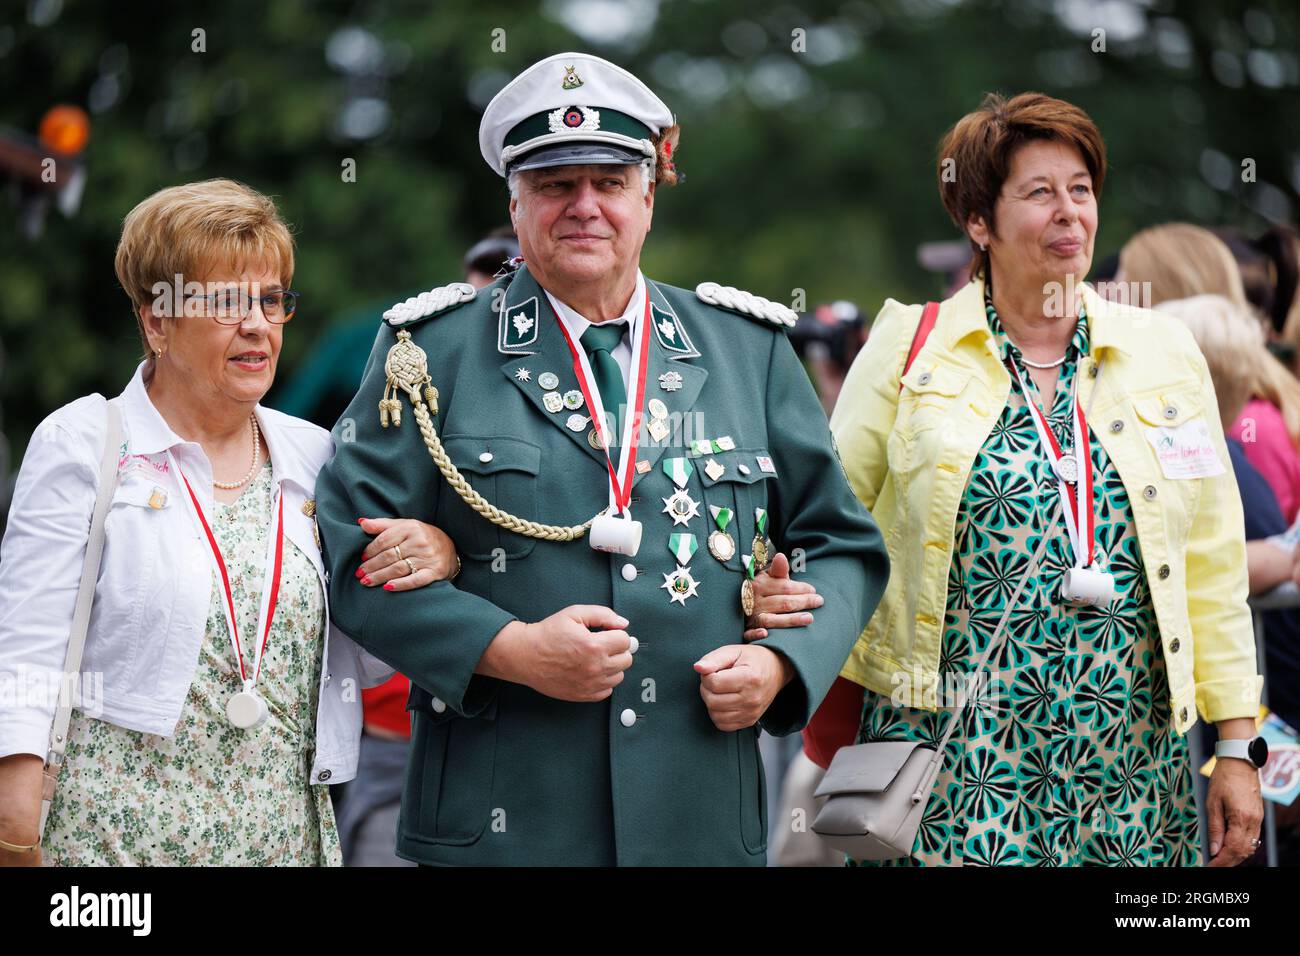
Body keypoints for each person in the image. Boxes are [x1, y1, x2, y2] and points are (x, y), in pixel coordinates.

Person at [314, 51, 887, 866]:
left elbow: (844, 546)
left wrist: (779, 664)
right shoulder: (427, 352)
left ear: (648, 194)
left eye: (610, 182)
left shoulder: (746, 350)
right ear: (514, 204)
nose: (585, 206)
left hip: (696, 819)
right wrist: (508, 649)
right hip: (499, 824)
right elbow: (347, 555)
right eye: (555, 185)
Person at [817, 92, 1264, 866]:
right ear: (979, 223)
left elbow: (1212, 562)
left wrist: (1235, 746)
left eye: (1081, 190)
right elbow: (826, 520)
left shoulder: (1163, 354)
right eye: (1039, 192)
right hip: (958, 755)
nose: (1069, 213)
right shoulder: (907, 349)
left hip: (1129, 765)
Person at [0, 179, 451, 866]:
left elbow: (374, 650)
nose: (257, 325)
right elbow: (26, 658)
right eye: (226, 302)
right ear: (157, 321)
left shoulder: (318, 453)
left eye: (271, 301)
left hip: (282, 843)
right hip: (109, 850)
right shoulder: (84, 442)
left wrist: (437, 553)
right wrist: (15, 838)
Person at [1118, 223, 1300, 523]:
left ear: (1166, 301)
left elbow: (1257, 555)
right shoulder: (1244, 407)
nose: (1105, 300)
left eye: (1123, 286)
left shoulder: (1244, 425)